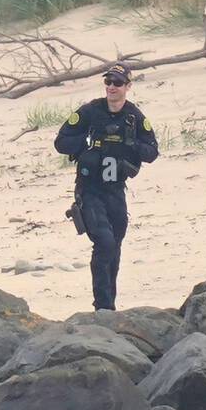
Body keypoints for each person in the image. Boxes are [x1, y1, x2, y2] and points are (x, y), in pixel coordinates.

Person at [54, 63, 159, 310]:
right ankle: (103, 307)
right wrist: (88, 140)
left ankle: (110, 303)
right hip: (89, 190)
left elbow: (152, 152)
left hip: (115, 191)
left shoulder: (134, 117)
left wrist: (130, 144)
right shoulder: (90, 112)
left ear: (128, 87)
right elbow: (61, 142)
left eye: (117, 83)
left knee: (116, 245)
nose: (111, 87)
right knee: (104, 242)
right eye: (108, 82)